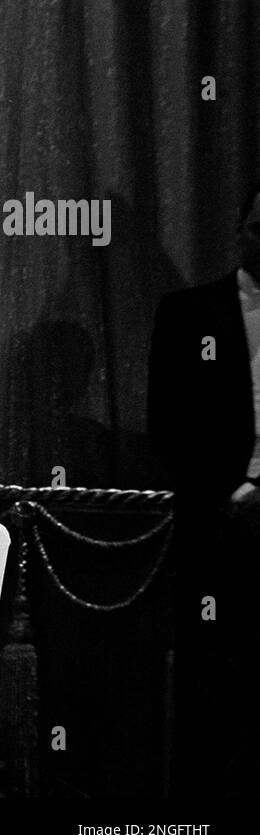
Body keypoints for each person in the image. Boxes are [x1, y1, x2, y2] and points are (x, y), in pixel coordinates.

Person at [148, 182, 259, 795]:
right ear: (240, 230)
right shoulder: (191, 314)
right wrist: (233, 495)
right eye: (259, 227)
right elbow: (168, 426)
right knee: (211, 691)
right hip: (217, 530)